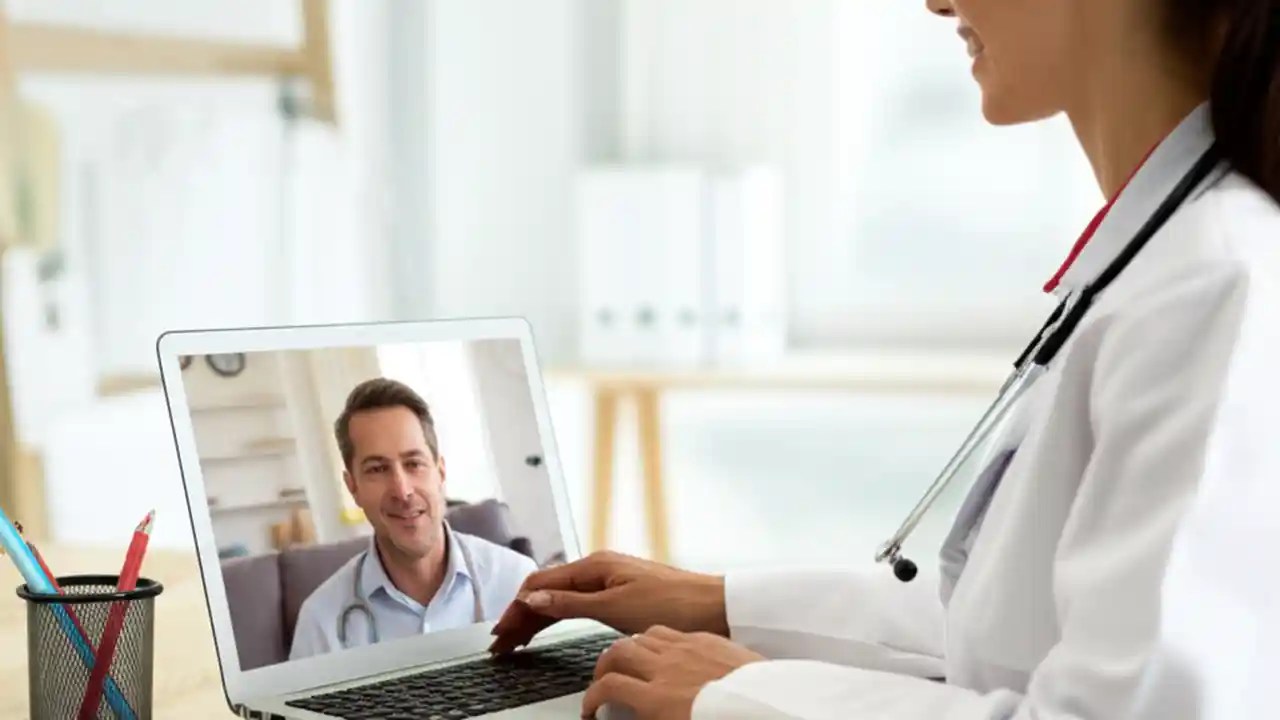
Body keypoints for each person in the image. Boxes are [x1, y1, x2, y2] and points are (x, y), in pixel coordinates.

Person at [488, 0, 1280, 717]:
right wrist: (713, 601)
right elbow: (1016, 633)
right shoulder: (1159, 264)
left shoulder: (1211, 286)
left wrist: (747, 693)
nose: (934, 2)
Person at [290, 378, 536, 660]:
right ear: (353, 487)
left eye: (413, 464)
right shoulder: (321, 622)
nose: (402, 490)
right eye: (378, 469)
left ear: (440, 472)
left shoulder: (517, 581)